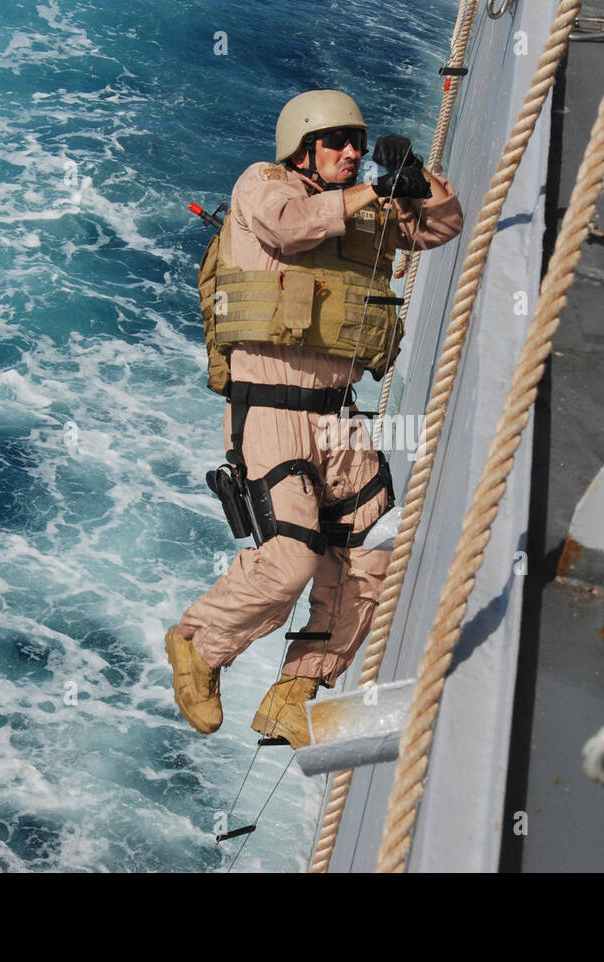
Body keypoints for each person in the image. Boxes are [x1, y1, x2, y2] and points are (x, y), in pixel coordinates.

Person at [167, 89, 464, 748]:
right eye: (338, 143)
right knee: (292, 560)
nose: (352, 153)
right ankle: (197, 644)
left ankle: (295, 692)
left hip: (337, 417)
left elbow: (441, 229)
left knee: (372, 555)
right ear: (302, 147)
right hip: (270, 408)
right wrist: (372, 191)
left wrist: (418, 182)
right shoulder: (263, 186)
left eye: (358, 144)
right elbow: (288, 228)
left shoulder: (367, 209)